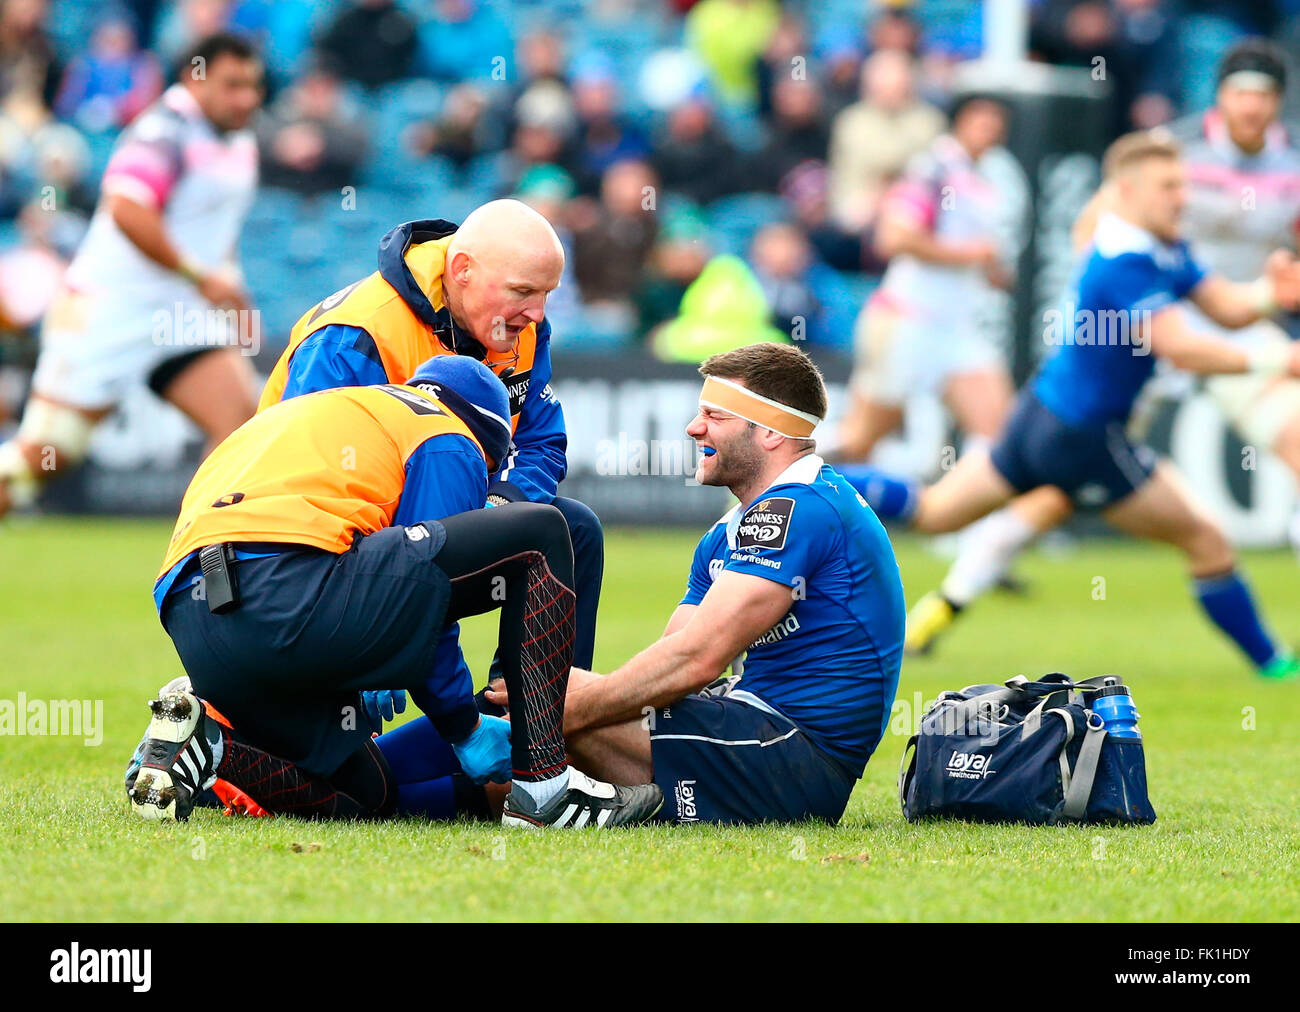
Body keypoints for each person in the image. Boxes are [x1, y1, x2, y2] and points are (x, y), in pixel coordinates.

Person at [127, 354, 662, 829]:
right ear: (489, 441)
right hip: (288, 588)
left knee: (366, 795)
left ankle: (209, 745)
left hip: (196, 619)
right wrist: (462, 723)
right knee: (547, 529)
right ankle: (545, 788)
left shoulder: (330, 413)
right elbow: (429, 591)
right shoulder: (447, 433)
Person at [849, 131, 1300, 681]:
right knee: (1205, 539)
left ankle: (809, 485)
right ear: (1127, 191)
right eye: (1168, 186)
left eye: (1183, 184)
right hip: (1087, 438)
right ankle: (1276, 668)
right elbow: (1180, 346)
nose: (1182, 197)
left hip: (1041, 414)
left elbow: (1225, 307)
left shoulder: (1158, 243)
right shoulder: (1124, 261)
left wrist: (1265, 296)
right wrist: (1274, 364)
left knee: (936, 510)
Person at [485, 343, 906, 824]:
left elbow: (697, 661)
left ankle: (432, 785)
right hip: (753, 726)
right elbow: (669, 662)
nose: (693, 427)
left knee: (541, 715)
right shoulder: (732, 528)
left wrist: (560, 712)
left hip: (796, 758)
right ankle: (438, 783)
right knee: (535, 698)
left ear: (769, 432)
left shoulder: (795, 509)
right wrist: (562, 698)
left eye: (714, 415)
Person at [257, 199, 606, 704]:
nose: (538, 312)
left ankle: (538, 730)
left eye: (547, 294)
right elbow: (306, 489)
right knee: (344, 774)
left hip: (431, 532)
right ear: (461, 270)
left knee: (569, 531)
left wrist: (500, 507)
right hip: (324, 565)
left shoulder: (521, 326)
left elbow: (541, 441)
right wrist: (374, 631)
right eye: (524, 292)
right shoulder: (354, 337)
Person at [0, 32, 263, 517]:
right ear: (195, 78)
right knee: (41, 459)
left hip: (181, 316)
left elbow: (212, 227)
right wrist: (202, 277)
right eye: (232, 85)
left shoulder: (239, 139)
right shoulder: (164, 131)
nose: (245, 98)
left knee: (239, 420)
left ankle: (202, 565)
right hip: (109, 312)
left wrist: (228, 284)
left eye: (252, 85)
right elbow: (126, 209)